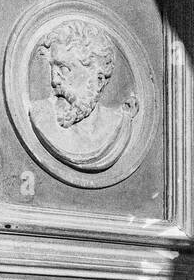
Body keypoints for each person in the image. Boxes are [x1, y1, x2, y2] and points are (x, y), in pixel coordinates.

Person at [29, 17, 137, 172]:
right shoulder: (41, 115)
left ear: (98, 80)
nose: (54, 81)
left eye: (64, 69)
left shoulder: (118, 123)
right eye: (52, 68)